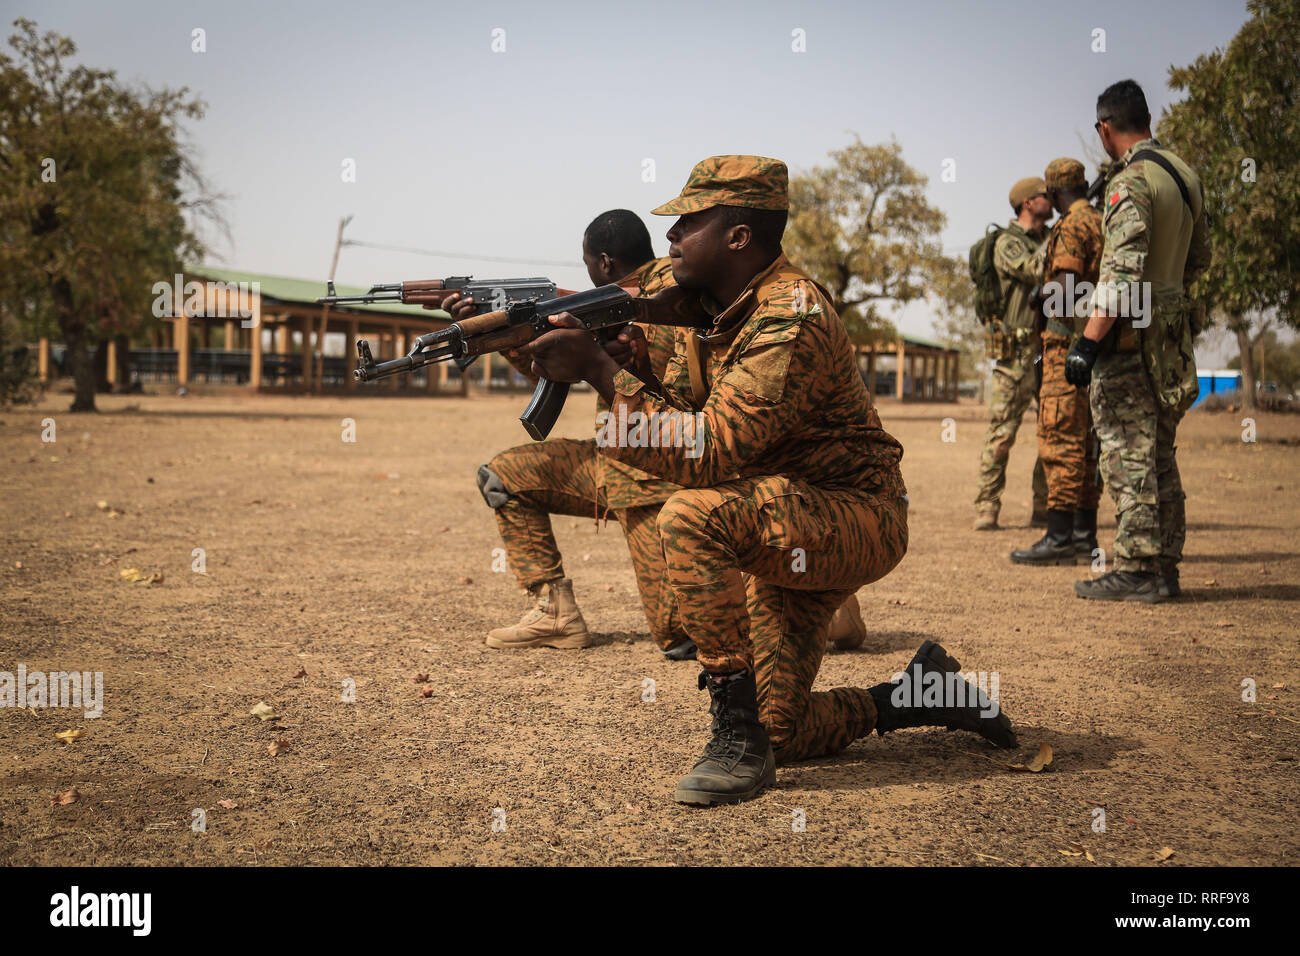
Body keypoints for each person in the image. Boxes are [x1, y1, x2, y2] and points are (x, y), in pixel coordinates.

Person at [524, 156, 1016, 805]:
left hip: (854, 515)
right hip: (784, 518)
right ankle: (920, 693)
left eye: (688, 222)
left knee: (691, 515)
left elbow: (708, 451)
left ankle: (735, 739)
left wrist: (601, 373)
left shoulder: (791, 314)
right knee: (783, 726)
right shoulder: (718, 313)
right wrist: (615, 363)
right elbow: (680, 424)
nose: (669, 237)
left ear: (738, 236)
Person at [456, 210, 872, 656]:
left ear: (604, 262)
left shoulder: (670, 295)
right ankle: (553, 612)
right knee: (506, 477)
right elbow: (557, 372)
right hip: (614, 461)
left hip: (661, 478)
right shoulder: (623, 299)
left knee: (679, 634)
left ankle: (819, 598)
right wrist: (511, 338)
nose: (676, 236)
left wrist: (595, 358)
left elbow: (689, 413)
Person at [1065, 80, 1211, 602]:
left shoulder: (1132, 182)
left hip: (1130, 342)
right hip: (1172, 339)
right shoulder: (1185, 176)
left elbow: (1122, 277)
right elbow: (1200, 261)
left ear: (1106, 128)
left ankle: (1136, 567)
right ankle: (1165, 568)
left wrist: (1086, 343)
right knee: (1160, 455)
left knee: (1127, 453)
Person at [1011, 158, 1104, 565]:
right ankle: (1084, 537)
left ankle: (1059, 537)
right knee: (1085, 446)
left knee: (1060, 439)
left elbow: (1066, 291)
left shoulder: (1070, 227)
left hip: (1065, 347)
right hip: (1093, 347)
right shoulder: (1102, 221)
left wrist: (1040, 295)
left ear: (1053, 193)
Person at [974, 178, 1052, 531]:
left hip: (1048, 349)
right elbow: (1035, 270)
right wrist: (1065, 237)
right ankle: (987, 506)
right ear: (1027, 203)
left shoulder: (1047, 238)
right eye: (1045, 196)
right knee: (1003, 432)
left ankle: (1044, 506)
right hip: (1016, 353)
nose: (1052, 201)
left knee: (1052, 431)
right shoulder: (1008, 243)